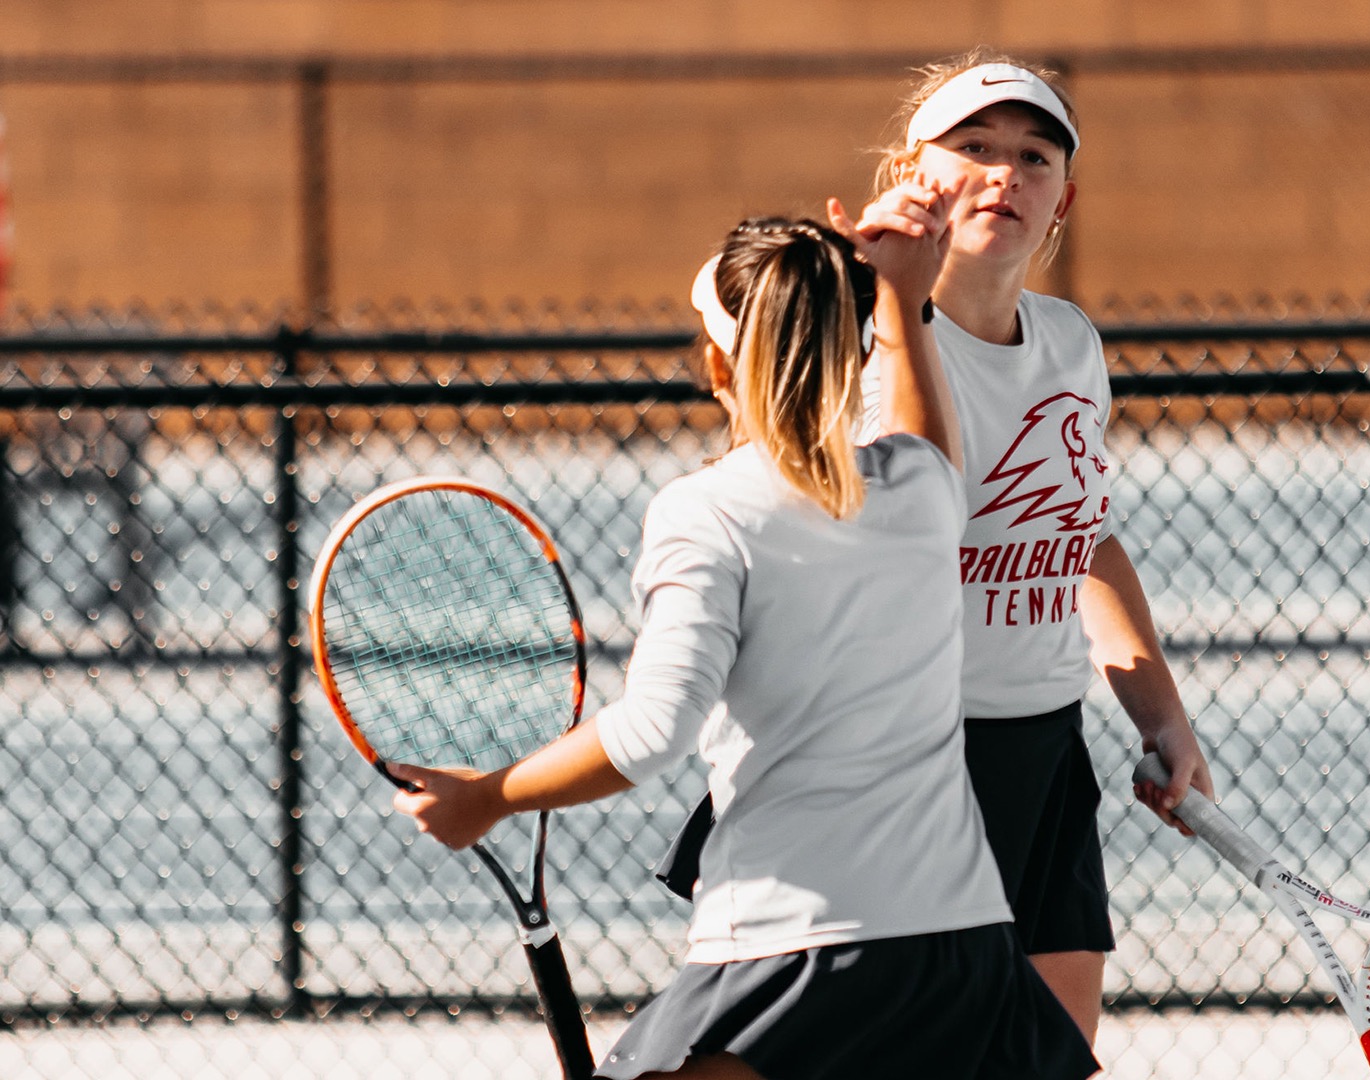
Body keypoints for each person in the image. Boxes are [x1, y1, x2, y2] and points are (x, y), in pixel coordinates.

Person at [390, 204, 1098, 1080]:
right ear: (859, 353)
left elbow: (653, 733)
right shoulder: (922, 491)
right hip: (958, 946)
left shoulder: (707, 514)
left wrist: (490, 796)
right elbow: (921, 421)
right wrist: (907, 295)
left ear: (716, 362)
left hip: (789, 945)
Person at [830, 50, 1218, 1044]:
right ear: (914, 178)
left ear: (1065, 202)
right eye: (975, 147)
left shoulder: (1069, 344)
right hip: (909, 762)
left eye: (1033, 156)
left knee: (1052, 1062)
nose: (1006, 172)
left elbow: (1081, 543)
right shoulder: (867, 358)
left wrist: (1162, 718)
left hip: (1044, 753)